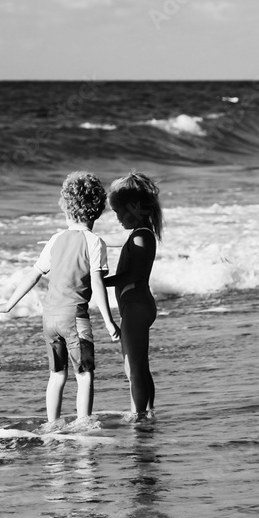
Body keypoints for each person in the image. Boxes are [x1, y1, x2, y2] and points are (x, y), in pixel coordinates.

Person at [0, 171, 119, 423]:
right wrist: (109, 320)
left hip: (49, 318)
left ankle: (52, 425)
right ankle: (83, 425)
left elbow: (33, 275)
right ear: (98, 210)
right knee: (85, 374)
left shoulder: (56, 239)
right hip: (74, 319)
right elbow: (97, 282)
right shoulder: (94, 242)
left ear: (66, 209)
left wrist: (8, 305)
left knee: (57, 374)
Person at [104, 171, 163, 420]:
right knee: (140, 366)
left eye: (118, 212)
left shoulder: (141, 236)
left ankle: (138, 416)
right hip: (136, 304)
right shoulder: (140, 233)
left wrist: (98, 282)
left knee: (133, 368)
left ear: (133, 208)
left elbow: (132, 275)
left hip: (136, 305)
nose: (117, 218)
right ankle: (148, 412)